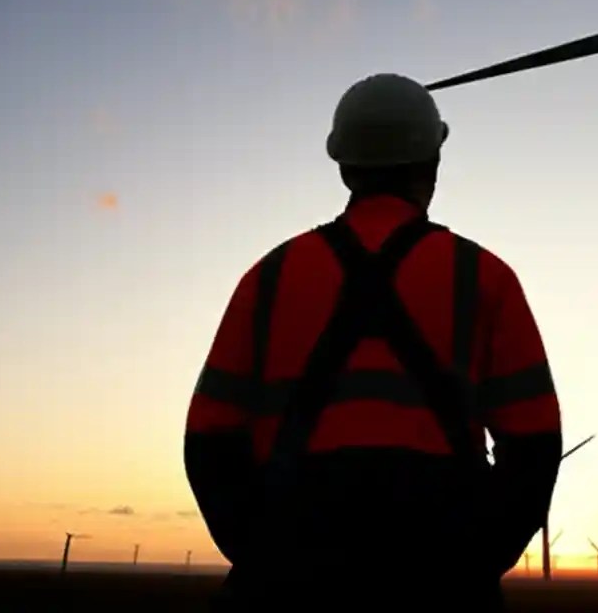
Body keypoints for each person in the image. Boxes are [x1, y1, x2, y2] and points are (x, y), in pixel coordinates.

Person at [184, 73, 563, 611]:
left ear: (344, 166)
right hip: (441, 572)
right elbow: (536, 447)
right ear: (432, 164)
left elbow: (208, 439)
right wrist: (472, 562)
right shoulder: (486, 277)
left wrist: (262, 553)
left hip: (287, 570)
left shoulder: (267, 278)